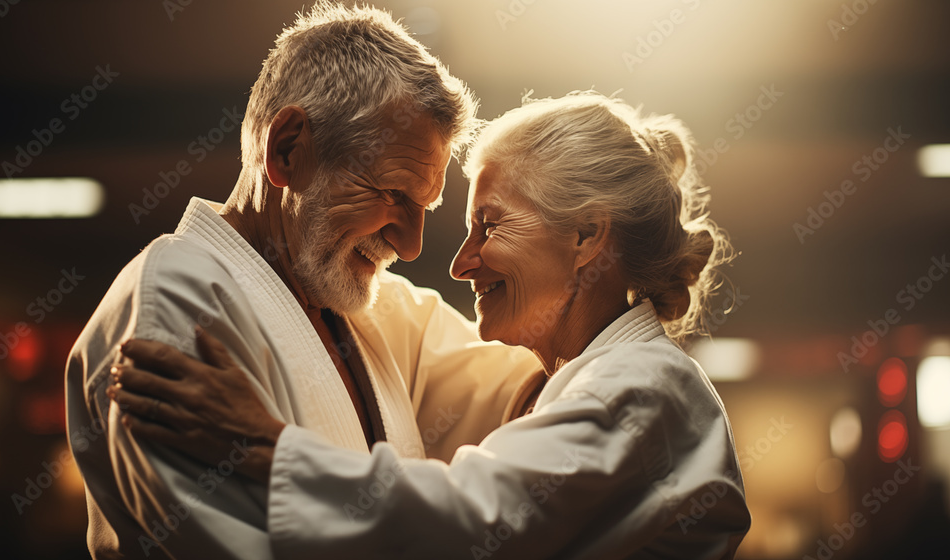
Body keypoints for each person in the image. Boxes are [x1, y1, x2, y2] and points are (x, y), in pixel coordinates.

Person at [111, 92, 753, 559]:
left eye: (489, 226)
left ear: (586, 236)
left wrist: (267, 447)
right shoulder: (603, 379)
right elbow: (410, 324)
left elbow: (471, 521)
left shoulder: (643, 392)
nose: (459, 261)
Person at [65, 4, 542, 559]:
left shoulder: (362, 304)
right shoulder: (176, 303)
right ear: (289, 149)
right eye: (392, 195)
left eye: (424, 208)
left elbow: (539, 383)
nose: (410, 246)